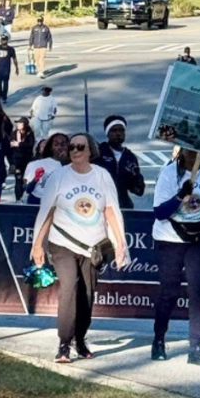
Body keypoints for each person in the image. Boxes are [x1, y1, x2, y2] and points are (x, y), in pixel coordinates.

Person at [29, 132, 129, 363]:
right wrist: (37, 245)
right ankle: (64, 342)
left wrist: (120, 244)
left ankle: (80, 339)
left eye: (80, 147)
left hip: (93, 244)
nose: (74, 151)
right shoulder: (59, 176)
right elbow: (47, 212)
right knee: (70, 287)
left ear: (90, 151)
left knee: (87, 293)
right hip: (63, 242)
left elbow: (111, 210)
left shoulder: (102, 176)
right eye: (72, 147)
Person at [150, 147, 200, 365]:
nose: (195, 155)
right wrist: (180, 196)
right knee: (169, 290)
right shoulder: (168, 174)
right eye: (190, 152)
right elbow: (160, 212)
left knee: (198, 291)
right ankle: (159, 339)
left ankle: (195, 346)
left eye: (199, 152)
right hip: (170, 236)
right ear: (181, 152)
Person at [93, 115, 146, 210]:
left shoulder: (130, 157)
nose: (118, 133)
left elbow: (138, 191)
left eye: (121, 130)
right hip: (100, 205)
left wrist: (136, 177)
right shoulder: (98, 152)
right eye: (114, 130)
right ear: (107, 133)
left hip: (123, 206)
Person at [22, 132, 69, 205]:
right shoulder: (36, 164)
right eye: (56, 145)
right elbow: (27, 189)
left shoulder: (75, 166)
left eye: (63, 145)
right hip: (37, 202)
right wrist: (35, 179)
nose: (60, 148)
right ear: (51, 147)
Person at [9, 116, 36, 202]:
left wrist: (19, 145)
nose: (18, 125)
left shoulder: (29, 134)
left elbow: (30, 145)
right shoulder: (14, 133)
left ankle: (24, 197)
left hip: (27, 161)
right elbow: (11, 145)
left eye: (20, 123)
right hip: (17, 161)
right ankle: (18, 199)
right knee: (18, 180)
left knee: (26, 181)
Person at [0, 35, 19, 103]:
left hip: (6, 69)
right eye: (2, 40)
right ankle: (0, 94)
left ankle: (4, 96)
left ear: (7, 40)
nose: (4, 41)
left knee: (6, 83)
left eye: (5, 40)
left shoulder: (10, 49)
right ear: (0, 40)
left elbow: (14, 59)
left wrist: (16, 68)